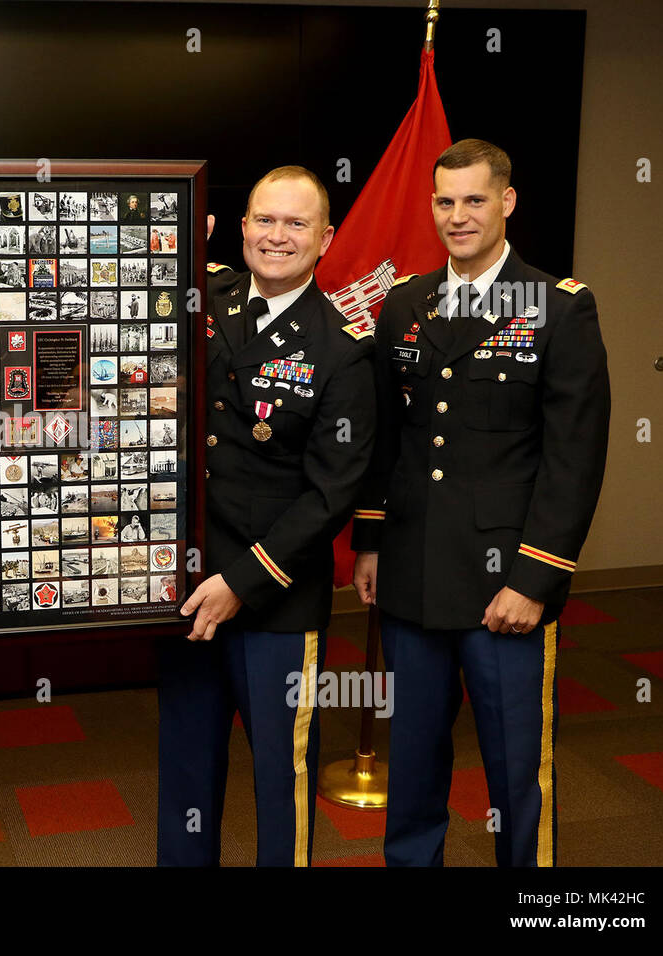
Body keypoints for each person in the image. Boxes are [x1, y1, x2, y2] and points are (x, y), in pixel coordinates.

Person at [351, 139, 610, 867]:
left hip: (506, 587)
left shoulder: (559, 307)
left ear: (507, 201)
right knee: (413, 769)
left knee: (515, 774)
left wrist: (535, 578)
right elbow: (386, 434)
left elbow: (575, 456)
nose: (457, 216)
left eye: (473, 199)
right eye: (444, 201)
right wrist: (370, 538)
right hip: (413, 575)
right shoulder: (405, 301)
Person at [158, 166, 376, 866]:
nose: (277, 236)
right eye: (265, 220)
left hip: (273, 596)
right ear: (243, 227)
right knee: (187, 770)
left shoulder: (343, 347)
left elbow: (331, 493)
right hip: (189, 587)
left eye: (296, 224)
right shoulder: (202, 297)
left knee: (282, 780)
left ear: (325, 238)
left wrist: (240, 581)